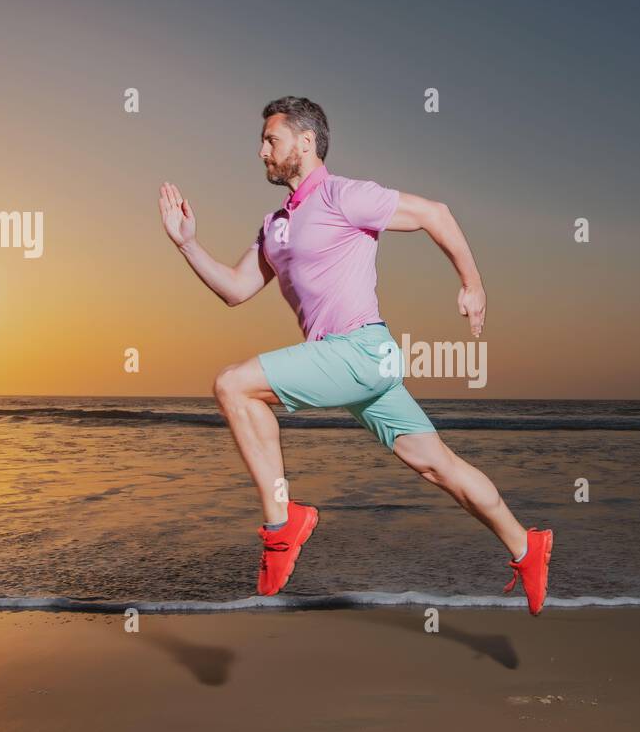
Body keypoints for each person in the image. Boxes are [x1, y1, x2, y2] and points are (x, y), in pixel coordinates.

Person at [158, 96, 552, 614]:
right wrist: (187, 244)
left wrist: (472, 283)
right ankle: (528, 548)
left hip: (361, 352)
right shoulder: (275, 224)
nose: (261, 151)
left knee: (233, 385)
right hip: (353, 364)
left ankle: (283, 525)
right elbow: (235, 289)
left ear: (305, 142)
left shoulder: (347, 196)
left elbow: (437, 213)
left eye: (271, 140)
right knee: (439, 468)